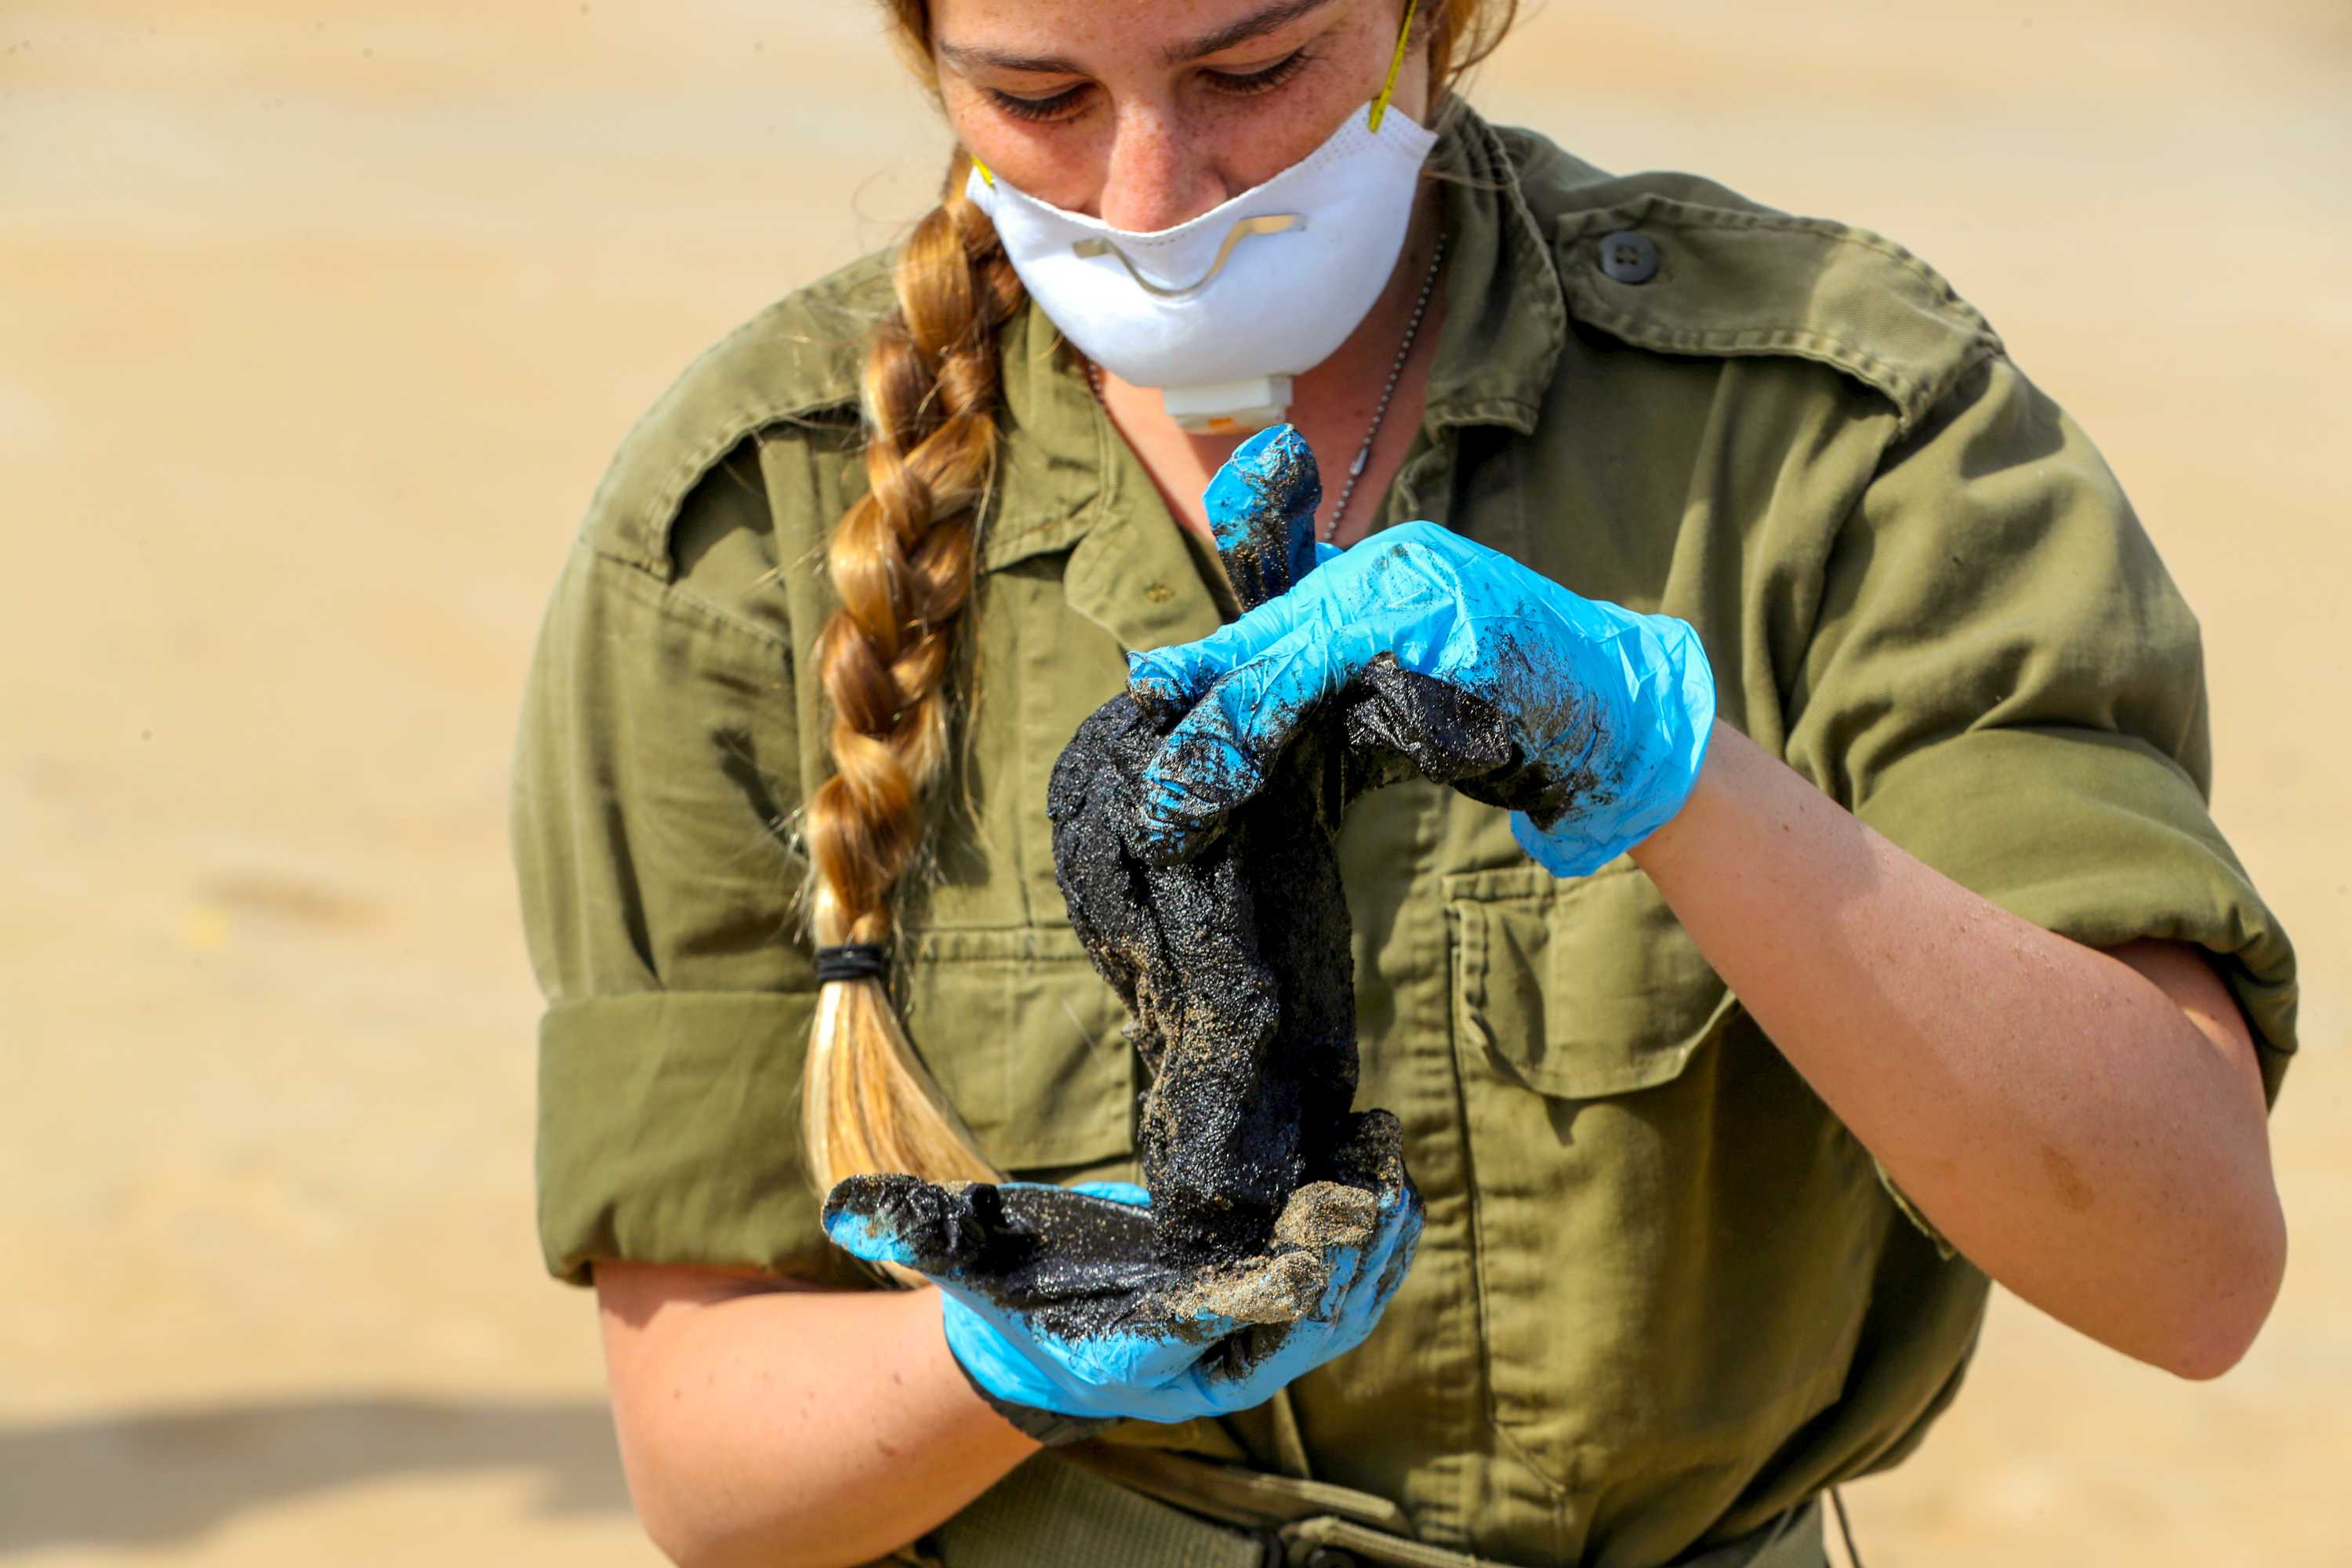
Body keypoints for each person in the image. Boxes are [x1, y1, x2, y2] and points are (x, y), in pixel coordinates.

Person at [508, 2, 2300, 1565]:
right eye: (1037, 97)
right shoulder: (752, 524)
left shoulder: (1829, 427)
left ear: (1436, 15)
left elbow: (2189, 1268)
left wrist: (1675, 775)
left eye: (1255, 68)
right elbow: (707, 1468)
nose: (1152, 192)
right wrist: (1013, 1347)